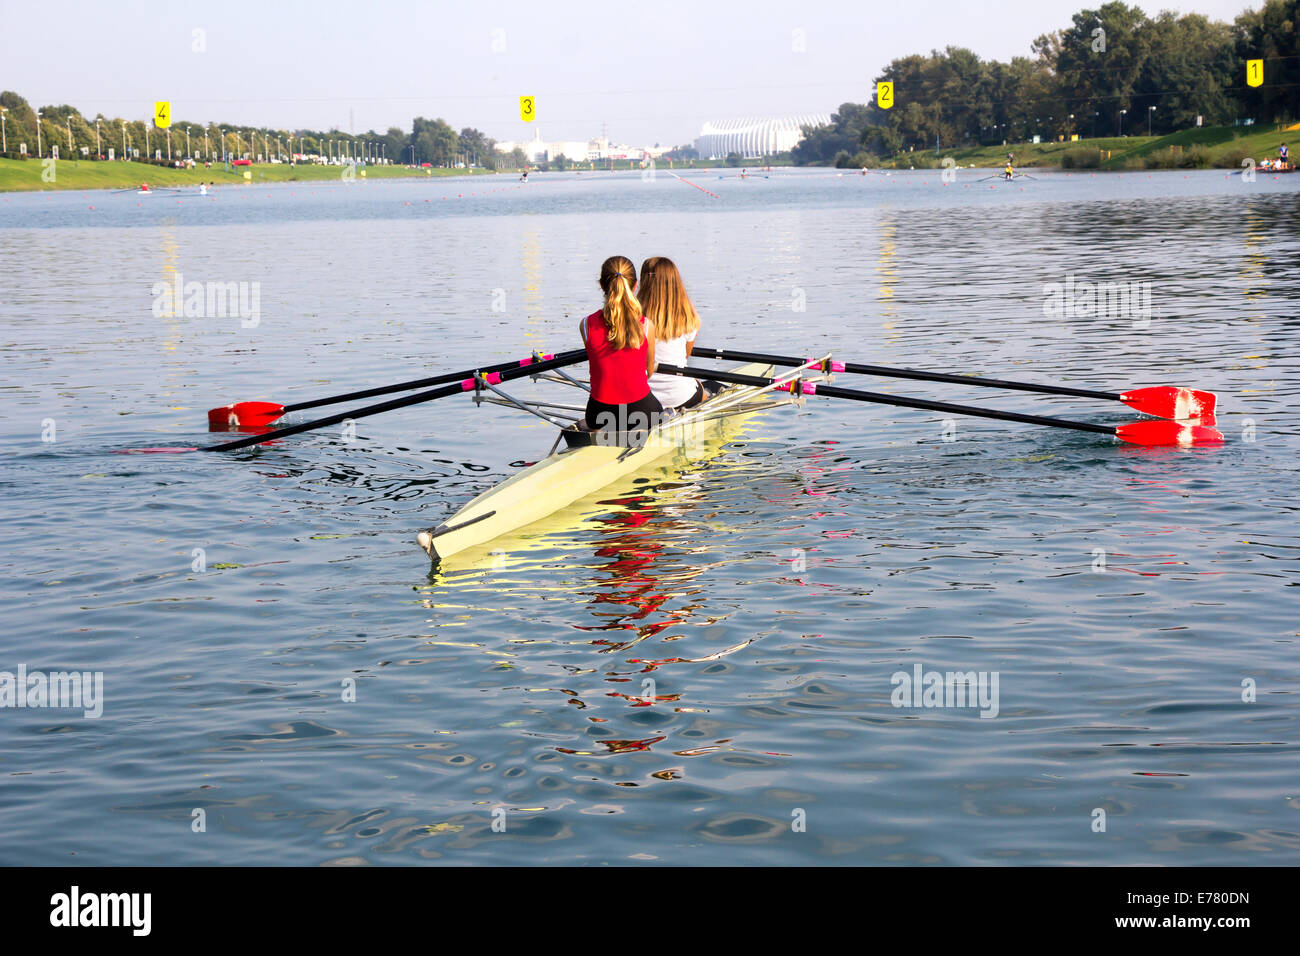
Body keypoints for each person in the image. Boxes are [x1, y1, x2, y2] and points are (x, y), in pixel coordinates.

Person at [578, 256, 661, 437]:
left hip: (598, 414)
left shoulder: (585, 325)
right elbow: (649, 372)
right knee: (661, 411)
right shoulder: (646, 325)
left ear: (601, 285)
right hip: (641, 411)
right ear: (635, 285)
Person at [639, 256, 707, 411]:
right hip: (680, 396)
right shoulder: (688, 317)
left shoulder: (631, 319)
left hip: (642, 399)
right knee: (700, 388)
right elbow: (685, 355)